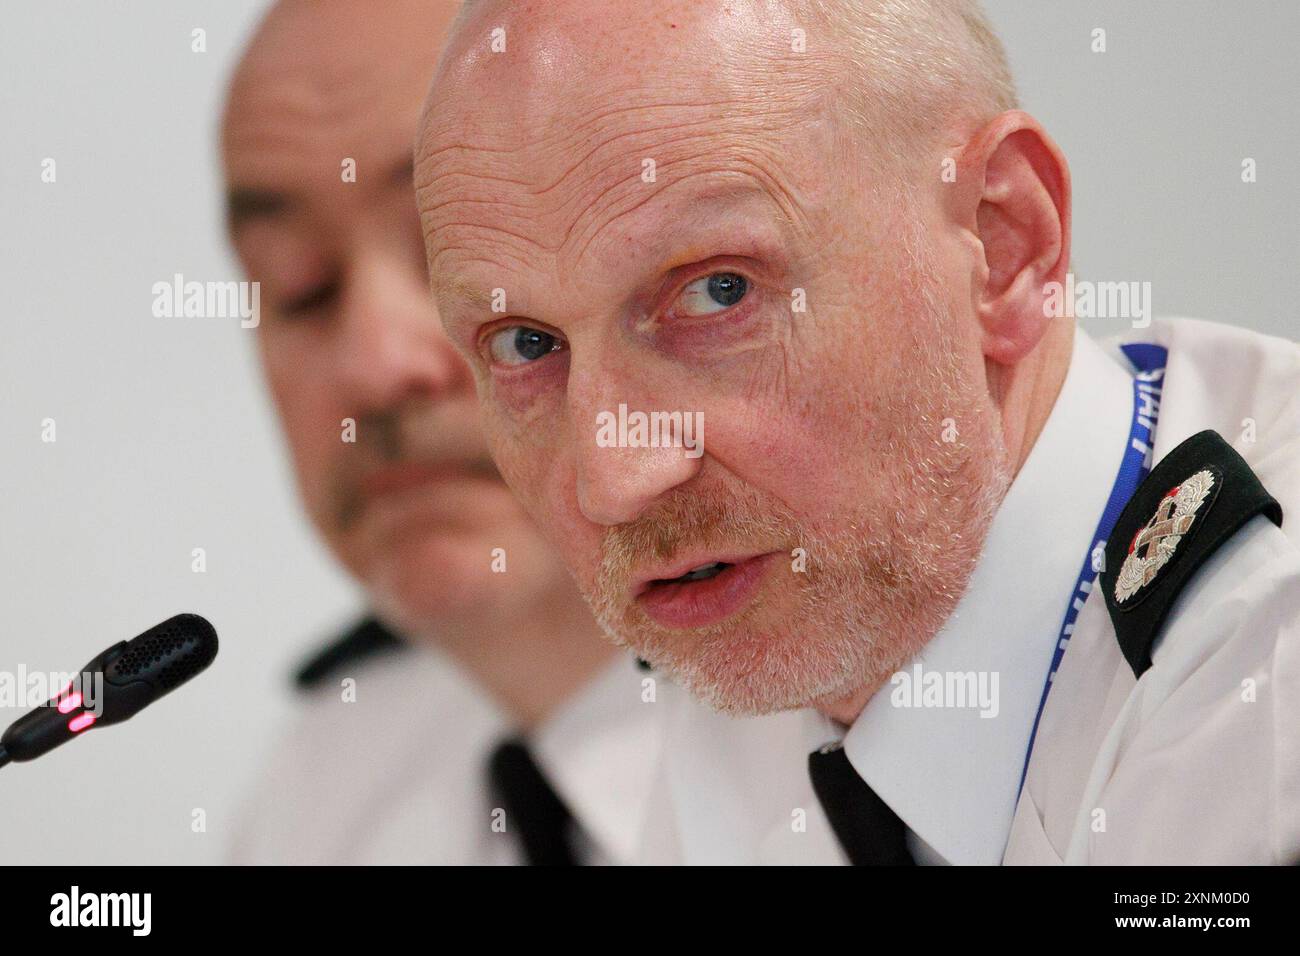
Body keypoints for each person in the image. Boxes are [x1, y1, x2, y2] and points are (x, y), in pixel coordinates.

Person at [414, 0, 1300, 864]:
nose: (616, 480)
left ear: (1005, 246)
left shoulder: (1268, 668)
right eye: (526, 345)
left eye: (719, 291)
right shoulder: (758, 672)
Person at [220, 0, 659, 865]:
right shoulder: (320, 803)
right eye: (298, 284)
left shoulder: (899, 755)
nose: (375, 368)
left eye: (452, 244)